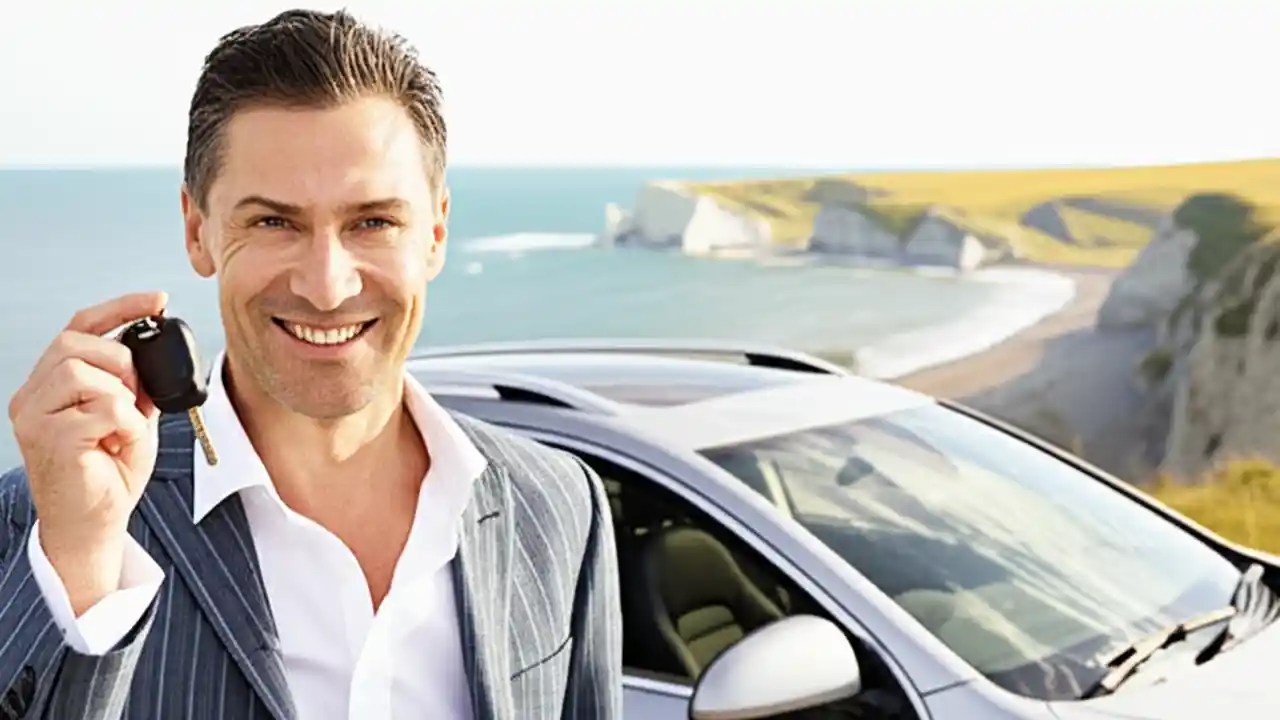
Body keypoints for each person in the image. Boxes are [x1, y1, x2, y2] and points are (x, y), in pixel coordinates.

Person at [0, 8, 621, 719]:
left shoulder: (560, 506)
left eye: (373, 222)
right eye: (273, 222)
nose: (327, 286)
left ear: (436, 233)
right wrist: (81, 566)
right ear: (197, 231)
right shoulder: (46, 524)